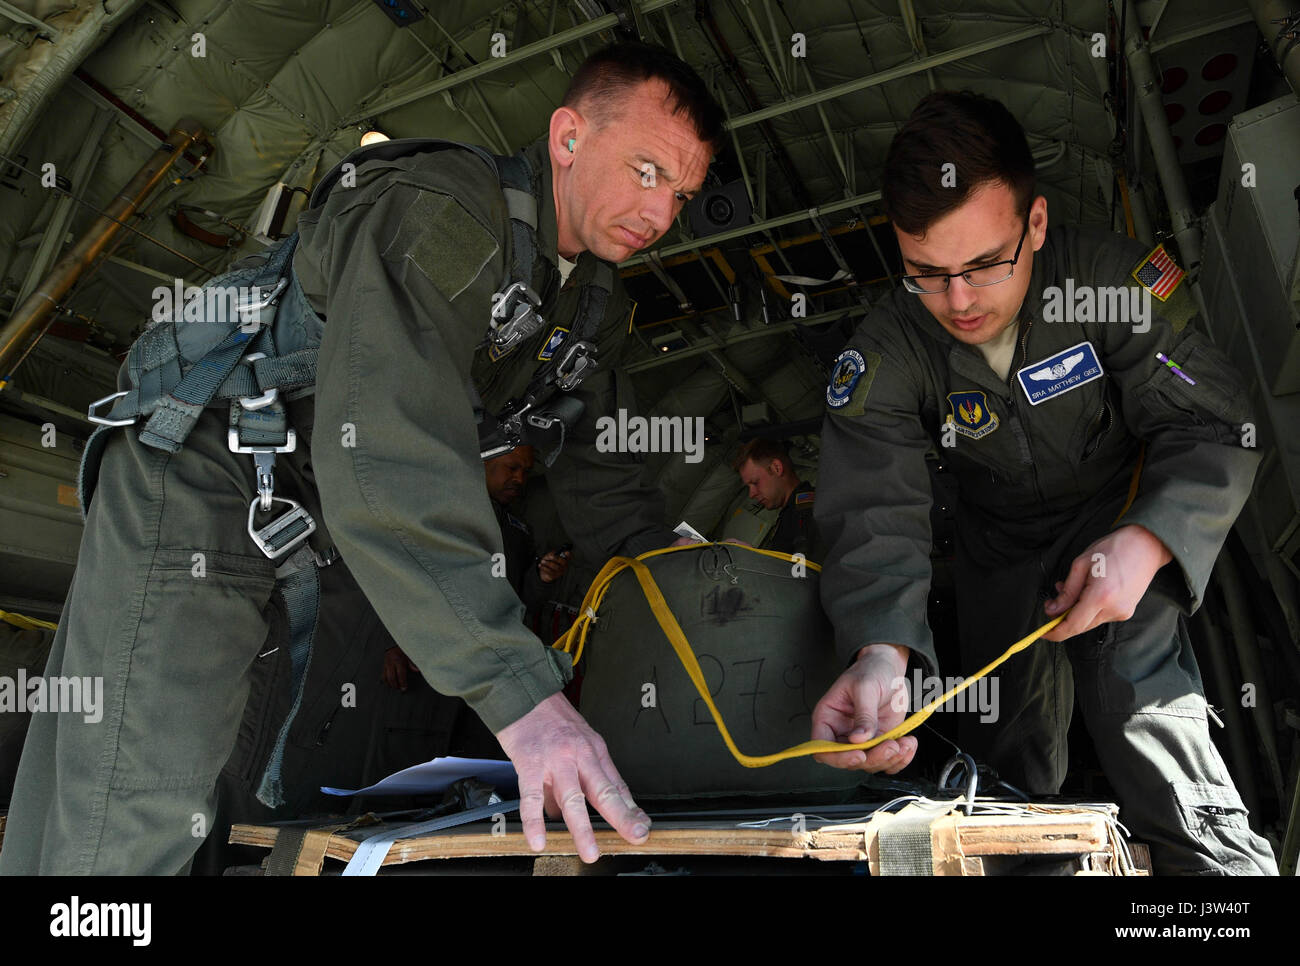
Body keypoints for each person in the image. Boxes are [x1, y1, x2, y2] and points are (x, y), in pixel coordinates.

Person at [1, 41, 720, 874]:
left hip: (296, 520)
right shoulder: (442, 212)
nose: (662, 212)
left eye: (682, 192)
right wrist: (524, 699)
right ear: (567, 136)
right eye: (645, 171)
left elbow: (600, 472)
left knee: (182, 794)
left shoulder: (591, 301)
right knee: (133, 803)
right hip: (204, 472)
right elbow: (387, 453)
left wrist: (683, 578)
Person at [809, 90, 1277, 874]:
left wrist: (1149, 541)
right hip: (999, 549)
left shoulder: (1112, 283)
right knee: (1007, 755)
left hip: (1117, 519)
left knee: (1141, 706)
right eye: (927, 273)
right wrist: (882, 652)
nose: (958, 301)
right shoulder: (886, 352)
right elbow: (873, 506)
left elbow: (1212, 419)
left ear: (1035, 224)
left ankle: (1220, 883)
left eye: (985, 264)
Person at [382, 445, 570, 692]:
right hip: (423, 658)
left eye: (526, 471)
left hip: (487, 670)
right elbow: (394, 575)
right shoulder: (439, 509)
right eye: (512, 468)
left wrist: (542, 577)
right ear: (482, 461)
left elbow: (521, 605)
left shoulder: (519, 531)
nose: (520, 479)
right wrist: (392, 641)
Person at [732, 438, 816, 555]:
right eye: (748, 487)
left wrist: (754, 559)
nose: (751, 494)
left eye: (755, 482)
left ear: (777, 468)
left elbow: (805, 569)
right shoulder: (790, 512)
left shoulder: (807, 511)